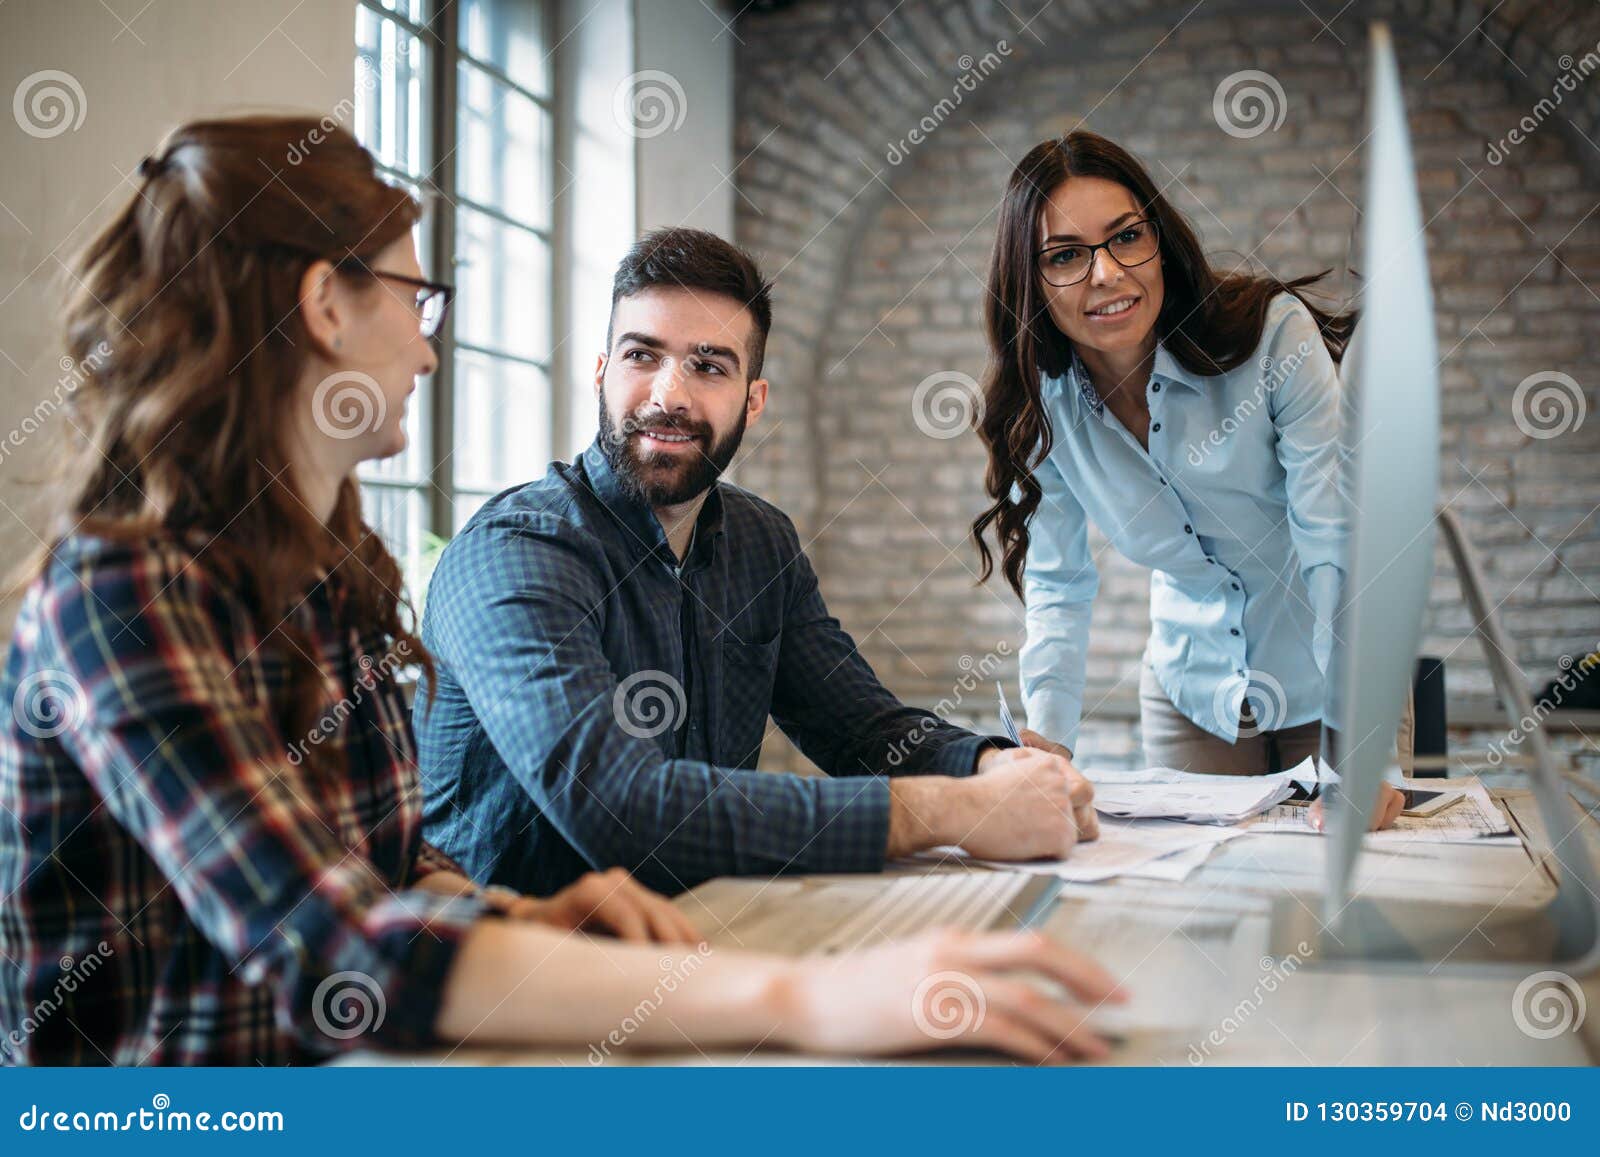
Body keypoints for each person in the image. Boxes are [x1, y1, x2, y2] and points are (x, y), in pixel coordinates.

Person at [0, 117, 1123, 1066]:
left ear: (753, 397)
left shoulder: (324, 577)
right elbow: (344, 947)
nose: (428, 351)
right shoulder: (125, 599)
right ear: (326, 306)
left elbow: (377, 869)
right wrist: (807, 995)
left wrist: (514, 915)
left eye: (709, 365)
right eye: (416, 298)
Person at [415, 226, 1100, 898]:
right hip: (520, 955)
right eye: (642, 356)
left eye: (709, 365)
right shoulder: (516, 552)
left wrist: (992, 767)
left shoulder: (760, 541)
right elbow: (619, 805)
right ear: (602, 374)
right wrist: (953, 811)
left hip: (705, 932)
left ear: (753, 400)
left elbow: (862, 727)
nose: (669, 395)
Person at [970, 131, 1404, 831]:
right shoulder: (1044, 405)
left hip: (1335, 685)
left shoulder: (1272, 339)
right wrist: (1047, 746)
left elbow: (1333, 544)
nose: (1106, 273)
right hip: (1193, 694)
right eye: (1065, 255)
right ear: (1030, 280)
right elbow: (1059, 583)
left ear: (1160, 241)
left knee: (1356, 879)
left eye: (1126, 237)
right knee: (1202, 891)